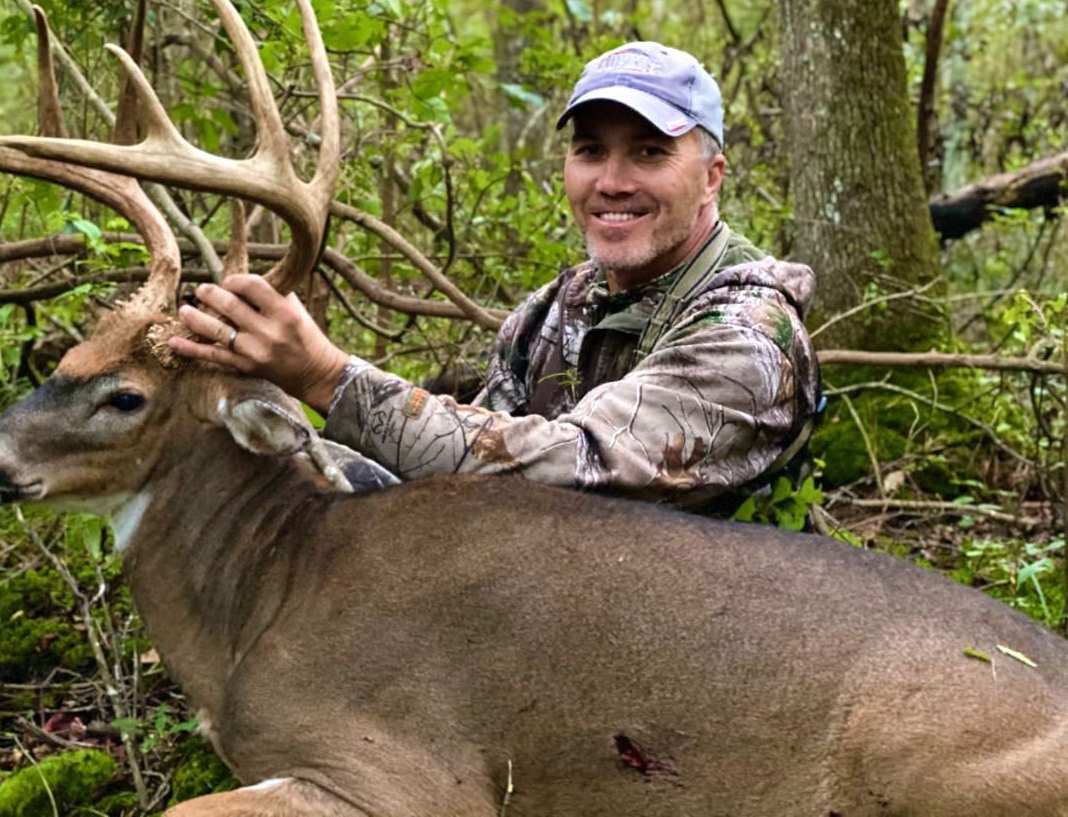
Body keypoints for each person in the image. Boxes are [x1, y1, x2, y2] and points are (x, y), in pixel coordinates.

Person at [170, 41, 820, 514]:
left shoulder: (748, 336)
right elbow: (468, 491)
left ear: (711, 177)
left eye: (650, 152)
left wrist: (327, 377)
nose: (612, 182)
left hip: (709, 658)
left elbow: (573, 466)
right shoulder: (548, 314)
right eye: (590, 151)